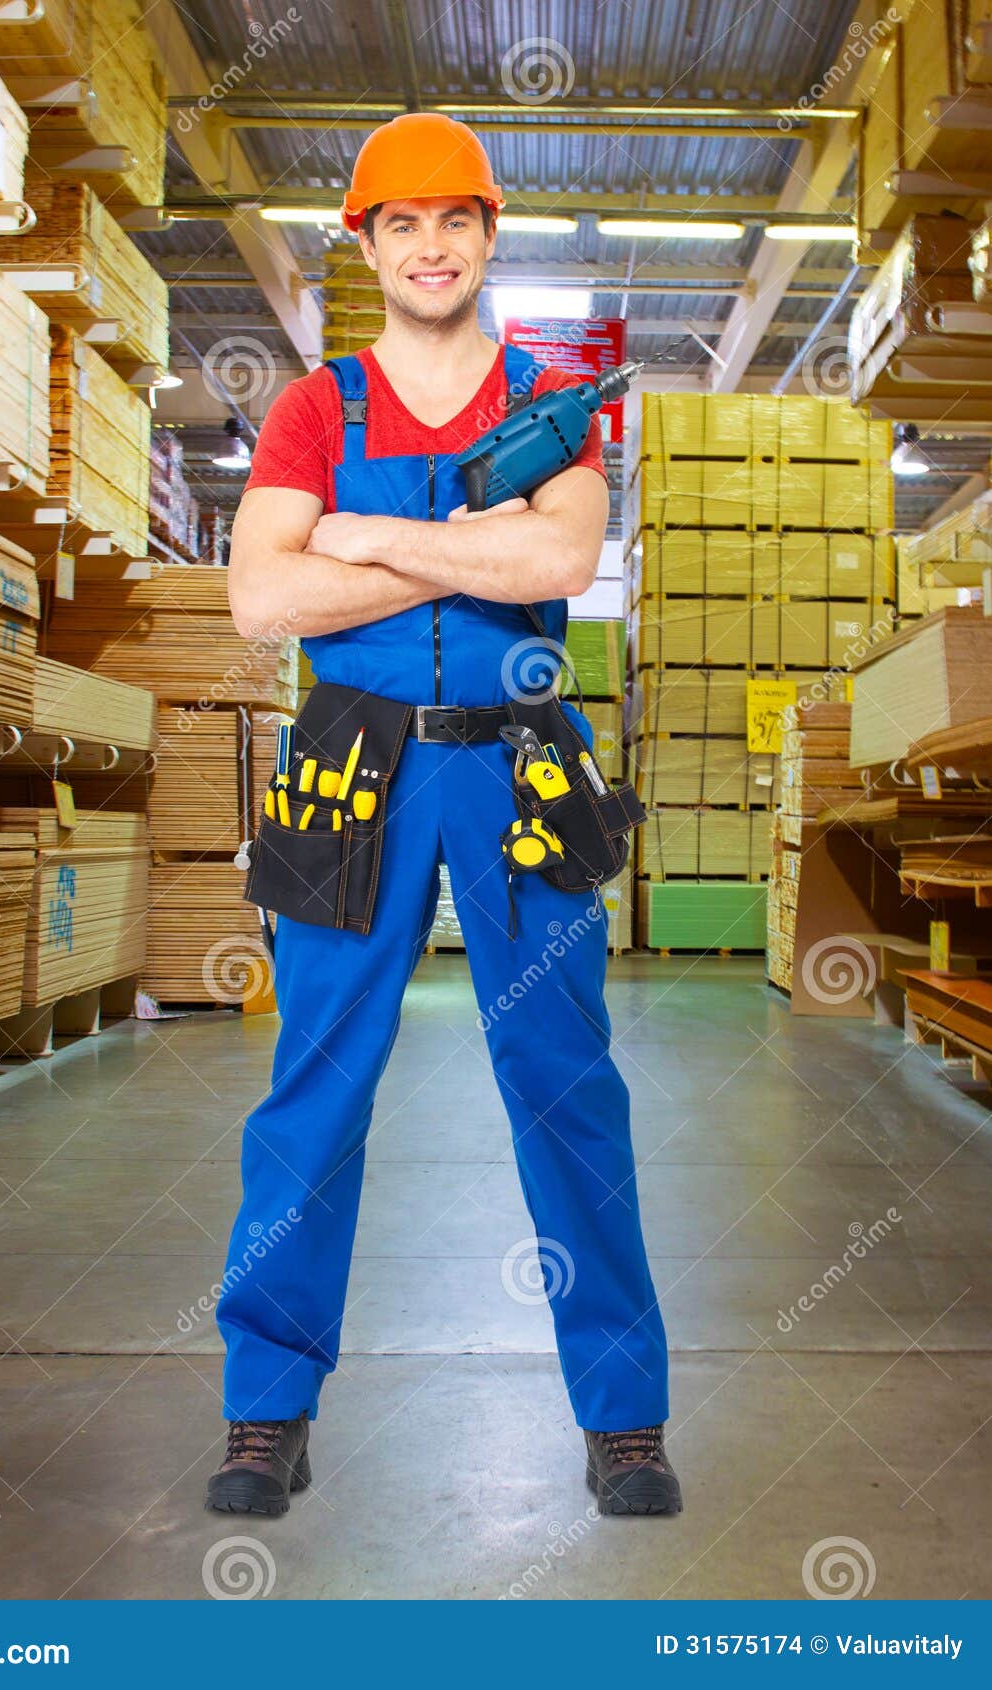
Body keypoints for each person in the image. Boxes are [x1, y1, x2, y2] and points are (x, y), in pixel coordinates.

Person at [206, 113, 681, 1520]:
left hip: (519, 764)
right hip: (348, 770)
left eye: (453, 219)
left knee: (566, 1084)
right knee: (315, 1088)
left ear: (486, 235)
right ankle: (264, 1405)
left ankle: (624, 1416)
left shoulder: (549, 400)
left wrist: (361, 535)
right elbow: (260, 599)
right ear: (364, 244)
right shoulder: (313, 409)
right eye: (398, 223)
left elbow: (559, 556)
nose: (428, 245)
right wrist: (466, 557)